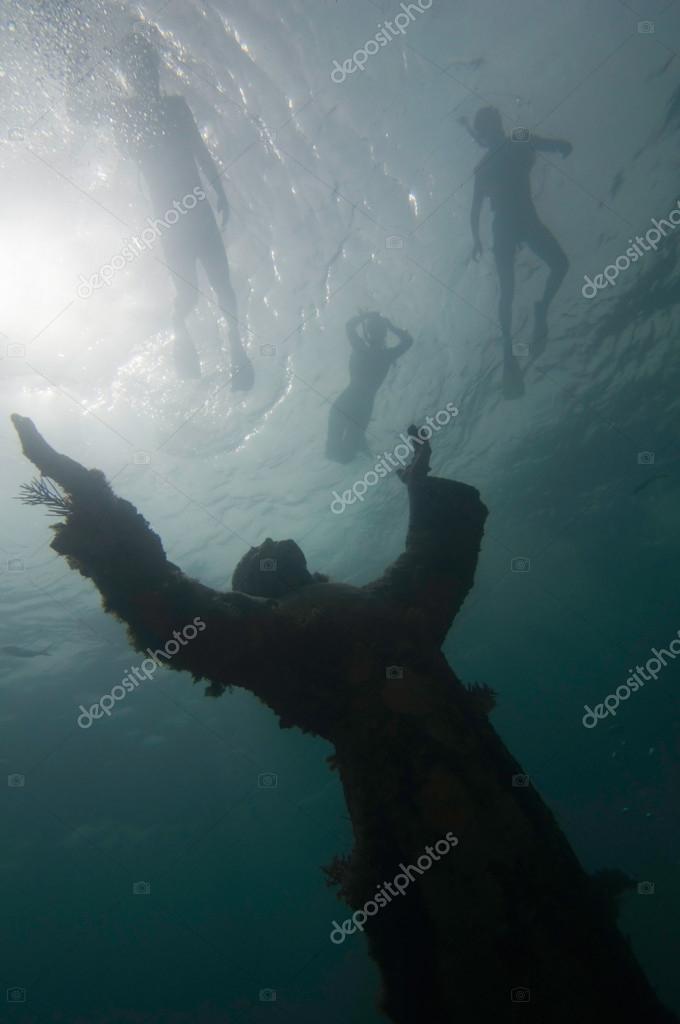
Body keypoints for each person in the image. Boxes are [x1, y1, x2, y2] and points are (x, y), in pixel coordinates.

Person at [12, 411, 677, 1024]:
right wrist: (86, 493)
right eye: (261, 553)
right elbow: (178, 608)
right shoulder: (292, 629)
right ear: (266, 582)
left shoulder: (321, 622)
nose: (268, 539)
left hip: (462, 868)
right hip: (493, 855)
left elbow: (175, 605)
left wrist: (89, 498)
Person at [67, 32, 254, 388]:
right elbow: (78, 113)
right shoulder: (124, 111)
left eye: (148, 70)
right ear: (131, 76)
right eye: (138, 72)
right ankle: (180, 332)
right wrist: (74, 67)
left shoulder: (174, 106)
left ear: (153, 72)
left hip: (196, 211)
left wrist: (220, 190)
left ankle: (237, 350)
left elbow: (200, 150)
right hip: (171, 221)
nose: (145, 78)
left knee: (222, 285)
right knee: (190, 294)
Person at [467, 107, 571, 397]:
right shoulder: (485, 165)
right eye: (485, 129)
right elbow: (475, 209)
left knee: (561, 265)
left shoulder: (517, 141)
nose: (490, 132)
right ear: (485, 132)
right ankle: (507, 349)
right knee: (508, 290)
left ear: (496, 126)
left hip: (525, 221)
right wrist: (475, 238)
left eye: (490, 126)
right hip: (506, 226)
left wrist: (560, 145)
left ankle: (541, 309)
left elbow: (543, 142)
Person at [326, 312, 412, 462]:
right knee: (343, 452)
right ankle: (359, 447)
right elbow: (408, 341)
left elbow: (349, 326)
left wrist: (366, 316)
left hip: (348, 399)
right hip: (364, 404)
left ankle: (359, 447)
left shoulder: (361, 347)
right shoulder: (387, 355)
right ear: (383, 334)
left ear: (368, 333)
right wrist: (390, 325)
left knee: (337, 451)